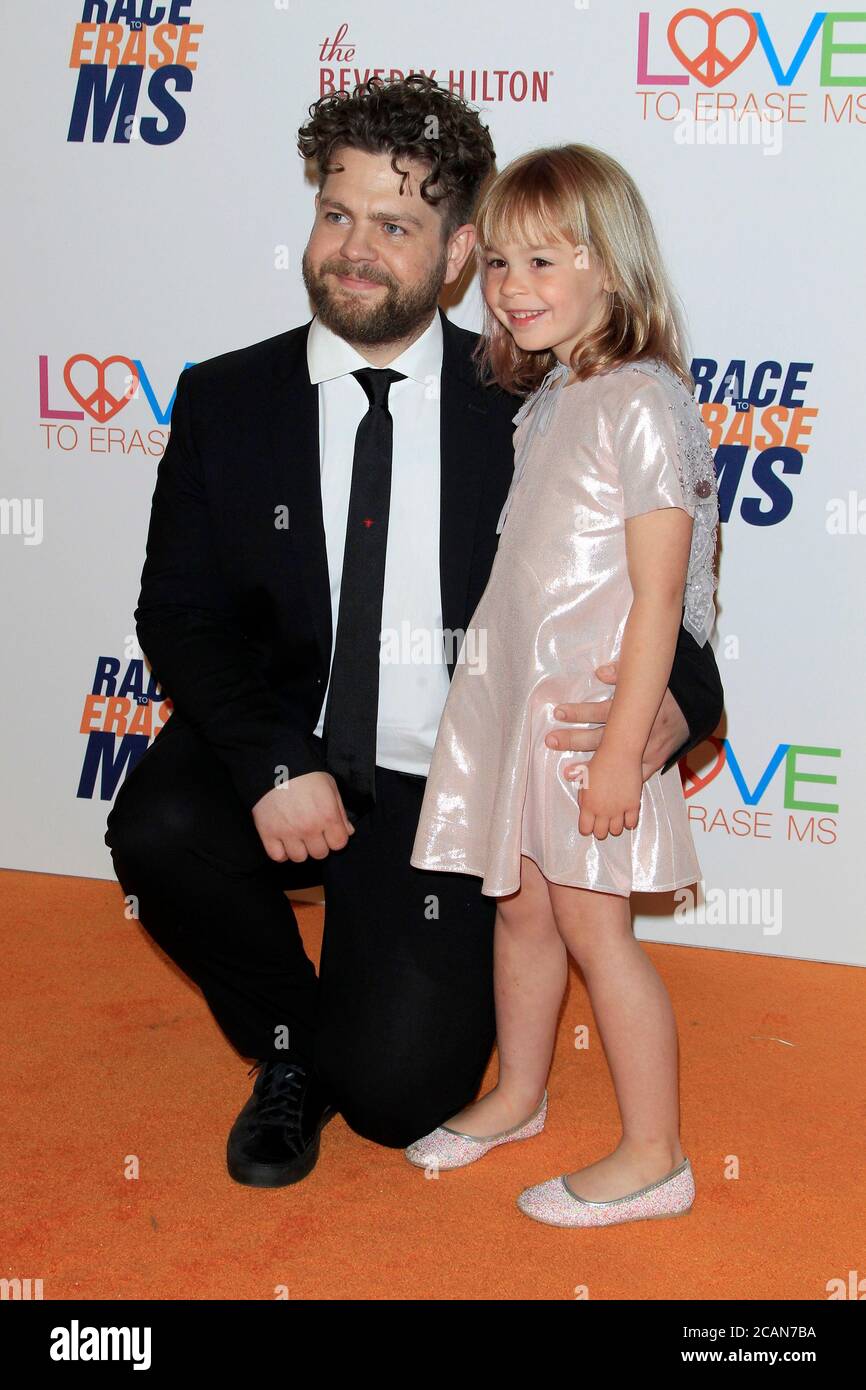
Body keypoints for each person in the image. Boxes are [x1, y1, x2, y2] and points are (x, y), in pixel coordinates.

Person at [104, 78, 723, 1191]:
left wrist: (673, 700)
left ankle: (371, 1045)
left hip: (447, 780)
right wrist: (273, 759)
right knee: (157, 828)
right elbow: (177, 611)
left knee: (395, 1099)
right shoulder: (225, 399)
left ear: (453, 253)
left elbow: (648, 586)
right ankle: (289, 1048)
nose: (354, 247)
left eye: (394, 225)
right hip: (286, 753)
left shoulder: (528, 403)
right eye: (336, 213)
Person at [406, 143, 720, 1229]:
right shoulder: (550, 398)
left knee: (598, 935)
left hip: (588, 730)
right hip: (519, 718)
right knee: (521, 917)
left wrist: (621, 749)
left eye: (543, 261)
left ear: (610, 268)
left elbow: (658, 598)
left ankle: (653, 1154)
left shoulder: (640, 401)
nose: (511, 287)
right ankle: (517, 1094)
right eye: (495, 263)